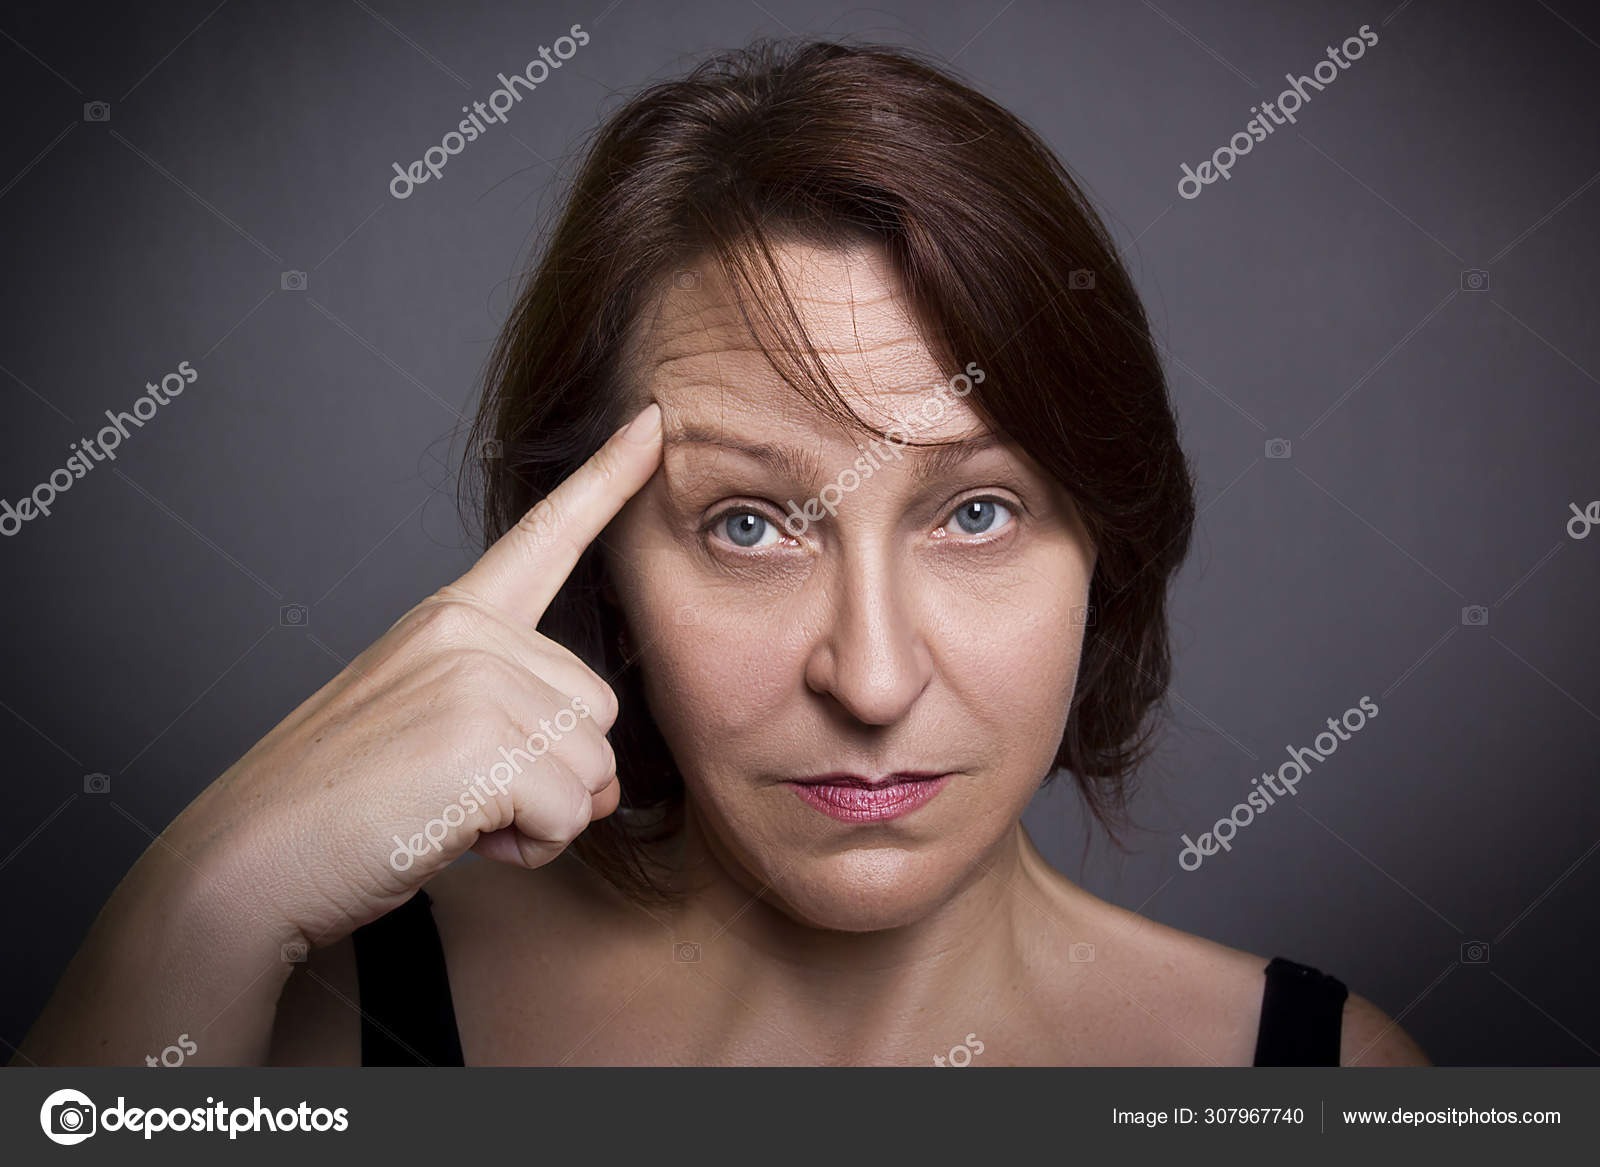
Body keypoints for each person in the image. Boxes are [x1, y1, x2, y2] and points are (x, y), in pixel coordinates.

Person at [15, 39, 1428, 1067]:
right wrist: (203, 902)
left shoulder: (1313, 1080)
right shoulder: (318, 1030)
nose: (870, 681)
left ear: (1103, 549)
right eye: (747, 524)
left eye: (976, 512)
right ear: (604, 571)